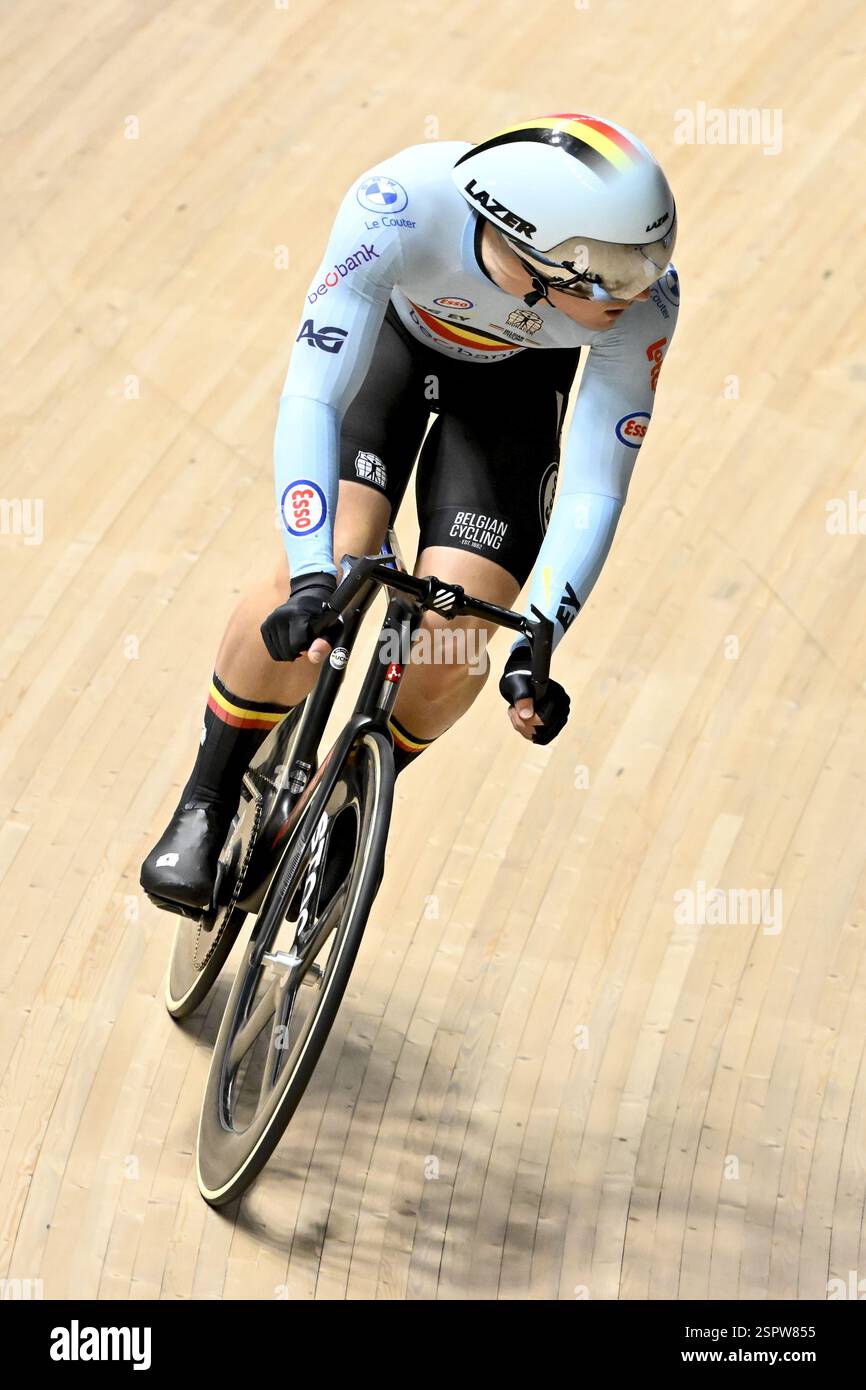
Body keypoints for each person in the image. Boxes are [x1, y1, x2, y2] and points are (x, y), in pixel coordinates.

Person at [141, 112, 679, 912]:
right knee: (340, 554)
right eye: (614, 270)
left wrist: (542, 635)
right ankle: (207, 798)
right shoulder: (399, 205)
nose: (638, 289)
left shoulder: (641, 309)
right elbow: (313, 394)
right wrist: (314, 573)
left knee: (452, 638)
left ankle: (351, 798)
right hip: (389, 357)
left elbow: (599, 483)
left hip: (512, 396)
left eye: (648, 263)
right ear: (534, 245)